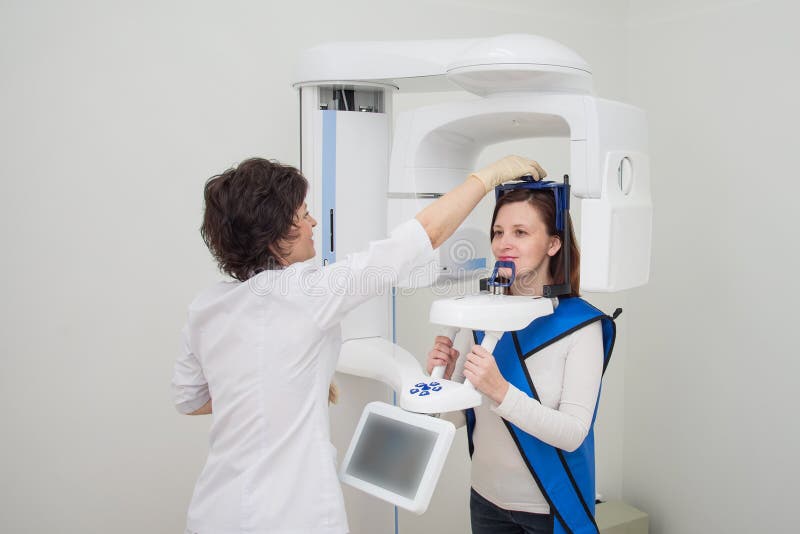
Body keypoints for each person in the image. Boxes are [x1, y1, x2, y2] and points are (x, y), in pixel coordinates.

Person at [171, 155, 545, 534]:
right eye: (304, 215)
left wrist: (284, 384)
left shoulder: (207, 307)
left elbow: (191, 400)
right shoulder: (307, 292)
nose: (313, 223)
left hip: (213, 511)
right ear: (276, 234)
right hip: (287, 516)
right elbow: (420, 237)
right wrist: (488, 176)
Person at [427, 187, 618, 534]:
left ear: (553, 243)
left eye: (520, 232)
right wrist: (442, 382)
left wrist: (500, 391)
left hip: (547, 508)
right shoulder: (478, 315)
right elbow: (454, 418)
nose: (504, 243)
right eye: (498, 232)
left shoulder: (581, 326)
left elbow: (573, 433)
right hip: (485, 502)